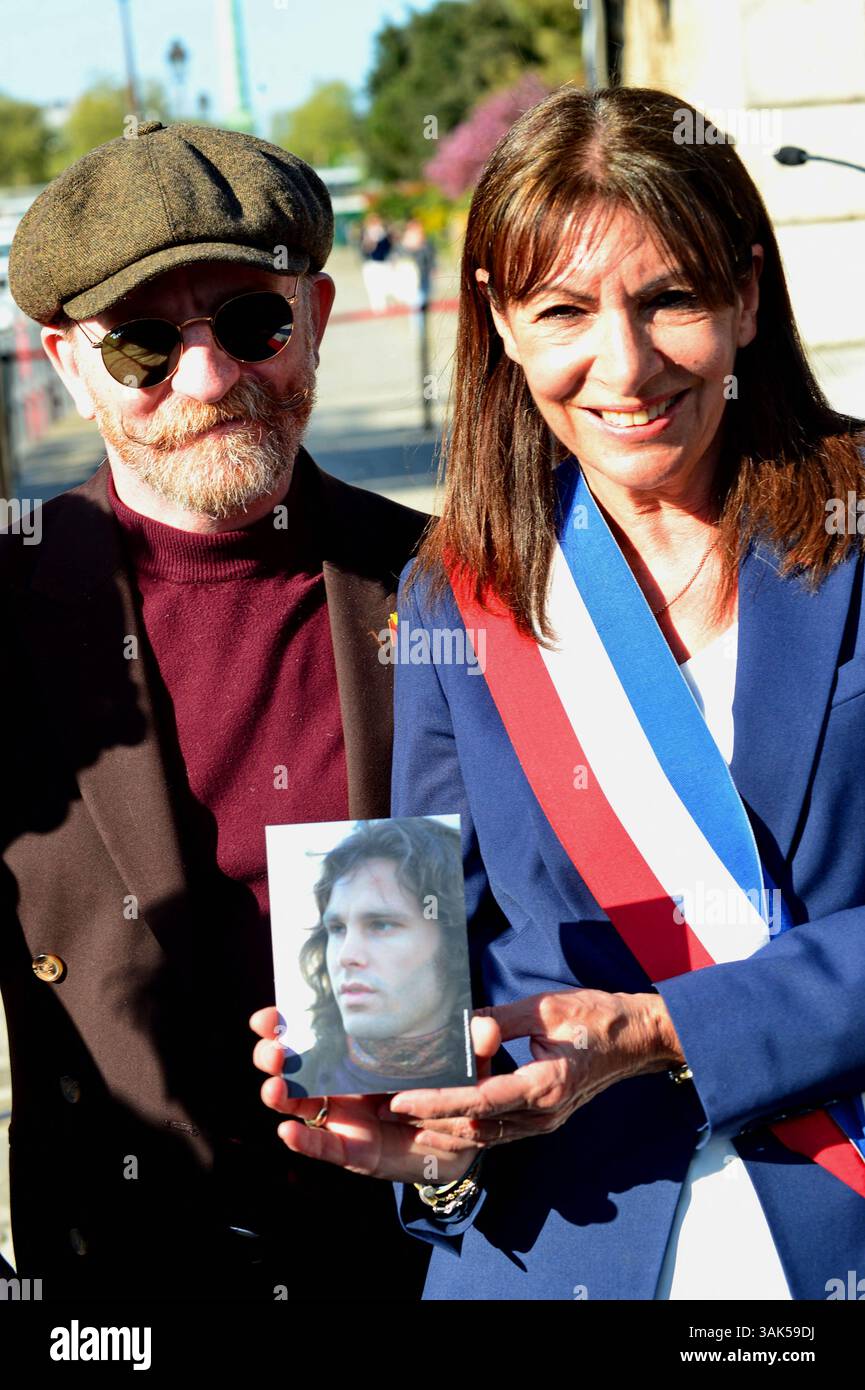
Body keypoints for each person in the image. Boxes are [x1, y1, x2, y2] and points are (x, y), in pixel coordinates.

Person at [251, 85, 865, 1300]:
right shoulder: (451, 599)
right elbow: (446, 960)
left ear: (746, 292)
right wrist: (420, 1131)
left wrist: (661, 1031)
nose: (624, 366)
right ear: (501, 322)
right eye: (564, 310)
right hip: (563, 1250)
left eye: (670, 298)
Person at [1, 120, 431, 1300]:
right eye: (143, 345)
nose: (209, 378)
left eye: (253, 323)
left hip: (413, 1264)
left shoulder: (457, 587)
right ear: (63, 363)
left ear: (319, 319)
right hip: (112, 1285)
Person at [280, 818, 473, 1098]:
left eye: (381, 924)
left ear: (453, 942)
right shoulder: (294, 1084)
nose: (346, 956)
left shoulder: (515, 1070)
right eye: (337, 929)